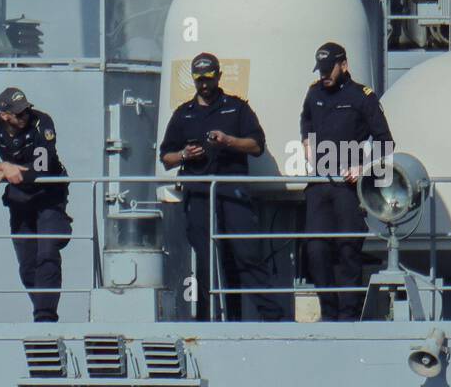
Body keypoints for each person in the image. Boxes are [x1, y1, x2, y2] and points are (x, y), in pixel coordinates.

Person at [159, 53, 282, 322]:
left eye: (209, 78)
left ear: (218, 76)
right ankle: (207, 321)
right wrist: (185, 155)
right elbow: (166, 157)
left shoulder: (237, 109)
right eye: (199, 79)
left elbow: (256, 145)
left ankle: (272, 318)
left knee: (245, 254)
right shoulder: (184, 114)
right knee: (205, 261)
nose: (204, 84)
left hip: (232, 190)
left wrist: (228, 141)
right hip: (199, 193)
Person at [299, 42, 394, 322]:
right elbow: (306, 118)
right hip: (319, 183)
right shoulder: (314, 92)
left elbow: (385, 141)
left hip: (347, 186)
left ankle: (348, 315)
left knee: (347, 249)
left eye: (329, 70)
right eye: (321, 70)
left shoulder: (362, 96)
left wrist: (363, 167)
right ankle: (328, 311)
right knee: (315, 249)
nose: (324, 75)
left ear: (344, 65)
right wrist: (306, 139)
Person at [0, 87, 72, 323]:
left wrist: (2, 174)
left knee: (47, 253)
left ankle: (45, 317)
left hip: (49, 193)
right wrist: (3, 168)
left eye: (26, 110)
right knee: (27, 264)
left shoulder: (41, 122)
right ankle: (41, 308)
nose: (25, 116)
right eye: (19, 114)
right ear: (4, 115)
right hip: (20, 199)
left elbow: (42, 167)